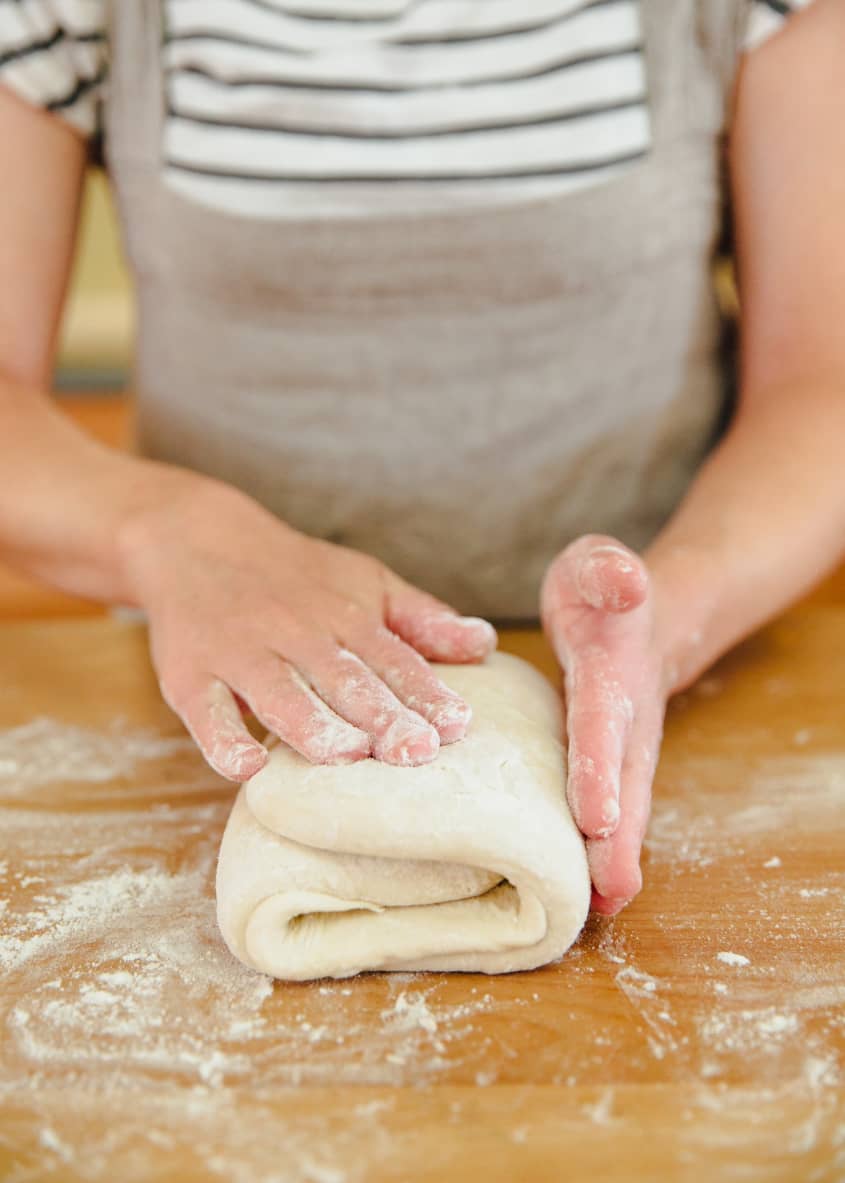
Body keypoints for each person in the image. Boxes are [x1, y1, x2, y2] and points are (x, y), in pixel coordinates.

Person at [1, 0, 842, 919]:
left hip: (663, 685)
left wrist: (669, 611)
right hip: (233, 694)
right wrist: (171, 535)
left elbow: (823, 380)